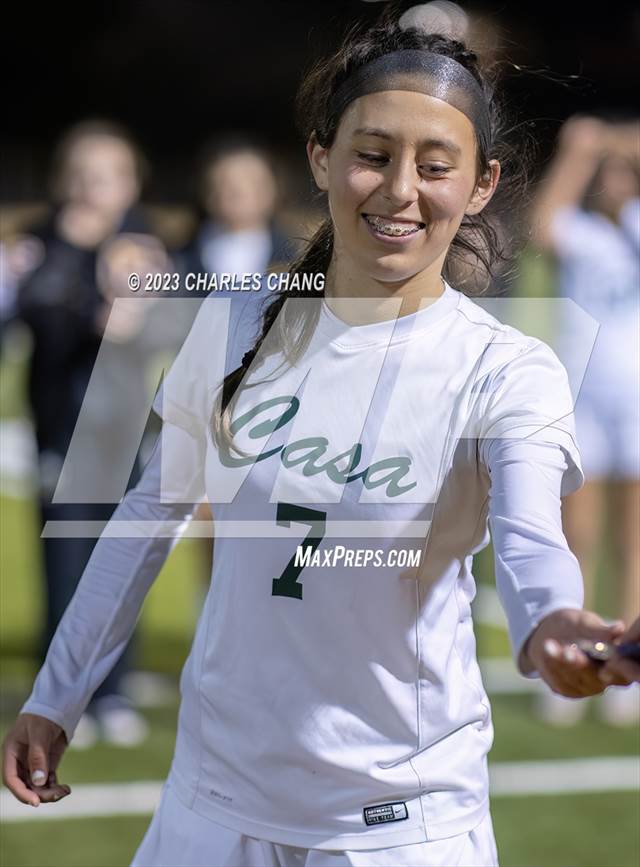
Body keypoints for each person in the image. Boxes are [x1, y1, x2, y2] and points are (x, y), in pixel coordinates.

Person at [2, 6, 636, 866]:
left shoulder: (507, 368)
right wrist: (56, 693)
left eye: (435, 165)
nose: (400, 189)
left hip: (401, 830)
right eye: (372, 155)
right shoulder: (230, 326)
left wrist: (555, 623)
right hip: (209, 806)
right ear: (321, 157)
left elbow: (531, 542)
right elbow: (144, 521)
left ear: (482, 184)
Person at [14, 119, 169, 749]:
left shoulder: (145, 244)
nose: (90, 186)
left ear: (129, 183)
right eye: (80, 172)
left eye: (105, 175)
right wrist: (91, 307)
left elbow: (166, 327)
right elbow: (32, 309)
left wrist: (138, 309)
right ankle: (59, 695)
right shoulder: (39, 242)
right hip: (60, 425)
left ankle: (114, 687)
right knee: (63, 561)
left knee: (121, 558)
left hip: (123, 428)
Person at [531, 115, 640, 726]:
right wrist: (581, 152)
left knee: (634, 545)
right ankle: (572, 657)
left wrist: (618, 141)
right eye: (609, 174)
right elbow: (542, 223)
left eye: (626, 173)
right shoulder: (579, 232)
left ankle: (629, 663)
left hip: (638, 402)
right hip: (582, 400)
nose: (616, 181)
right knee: (578, 538)